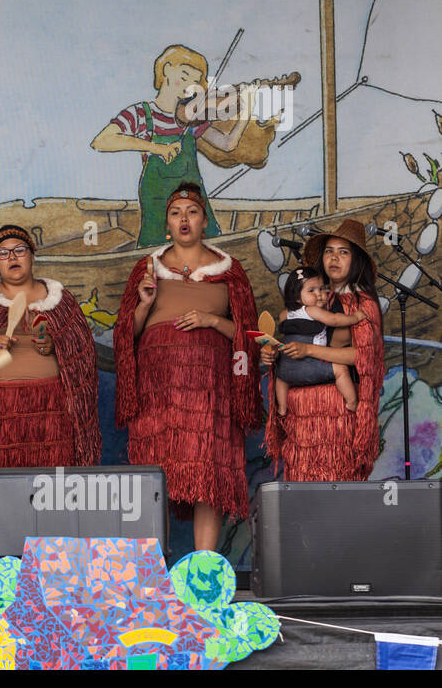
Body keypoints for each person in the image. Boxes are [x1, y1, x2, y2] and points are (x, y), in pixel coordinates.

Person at [115, 182, 262, 552]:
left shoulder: (230, 272)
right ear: (167, 222)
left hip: (210, 388)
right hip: (157, 387)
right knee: (156, 473)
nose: (184, 219)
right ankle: (152, 570)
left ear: (205, 221)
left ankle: (204, 566)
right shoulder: (147, 268)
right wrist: (146, 304)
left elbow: (248, 335)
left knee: (207, 468)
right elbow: (124, 336)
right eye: (176, 212)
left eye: (192, 212)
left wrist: (212, 321)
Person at [0, 224, 100, 470]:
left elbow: (83, 356)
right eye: (3, 253)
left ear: (32, 254)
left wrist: (56, 346)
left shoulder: (61, 300)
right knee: (0, 489)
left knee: (51, 489)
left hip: (51, 411)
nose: (12, 257)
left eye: (19, 250)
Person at [91, 44, 256, 247]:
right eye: (184, 76)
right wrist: (157, 148)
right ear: (167, 70)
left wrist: (246, 112)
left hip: (196, 207)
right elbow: (102, 141)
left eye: (194, 82)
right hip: (158, 206)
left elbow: (227, 144)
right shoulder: (142, 114)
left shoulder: (193, 118)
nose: (187, 85)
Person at [262, 220, 385, 481]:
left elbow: (362, 357)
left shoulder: (363, 305)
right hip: (300, 416)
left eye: (343, 251)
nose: (334, 258)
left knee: (337, 482)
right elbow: (290, 340)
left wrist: (309, 350)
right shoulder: (312, 299)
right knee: (302, 487)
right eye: (329, 251)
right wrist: (274, 355)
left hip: (337, 412)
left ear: (357, 260)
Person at [271, 266, 362, 416]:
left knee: (280, 380)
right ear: (297, 297)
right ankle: (352, 402)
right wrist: (355, 318)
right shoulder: (311, 310)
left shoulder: (284, 314)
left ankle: (282, 407)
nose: (319, 294)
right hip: (310, 364)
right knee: (341, 369)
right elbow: (335, 320)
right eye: (311, 290)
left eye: (322, 288)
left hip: (286, 369)